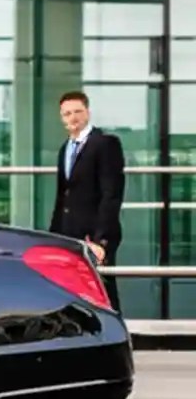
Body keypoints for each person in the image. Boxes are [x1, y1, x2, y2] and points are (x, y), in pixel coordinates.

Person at [48, 90, 125, 309]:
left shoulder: (106, 144)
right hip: (68, 233)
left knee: (102, 291)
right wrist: (54, 236)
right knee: (71, 293)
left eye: (78, 112)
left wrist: (102, 240)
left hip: (94, 235)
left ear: (87, 113)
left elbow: (111, 194)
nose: (72, 118)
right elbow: (63, 196)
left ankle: (114, 338)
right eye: (67, 114)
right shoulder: (65, 149)